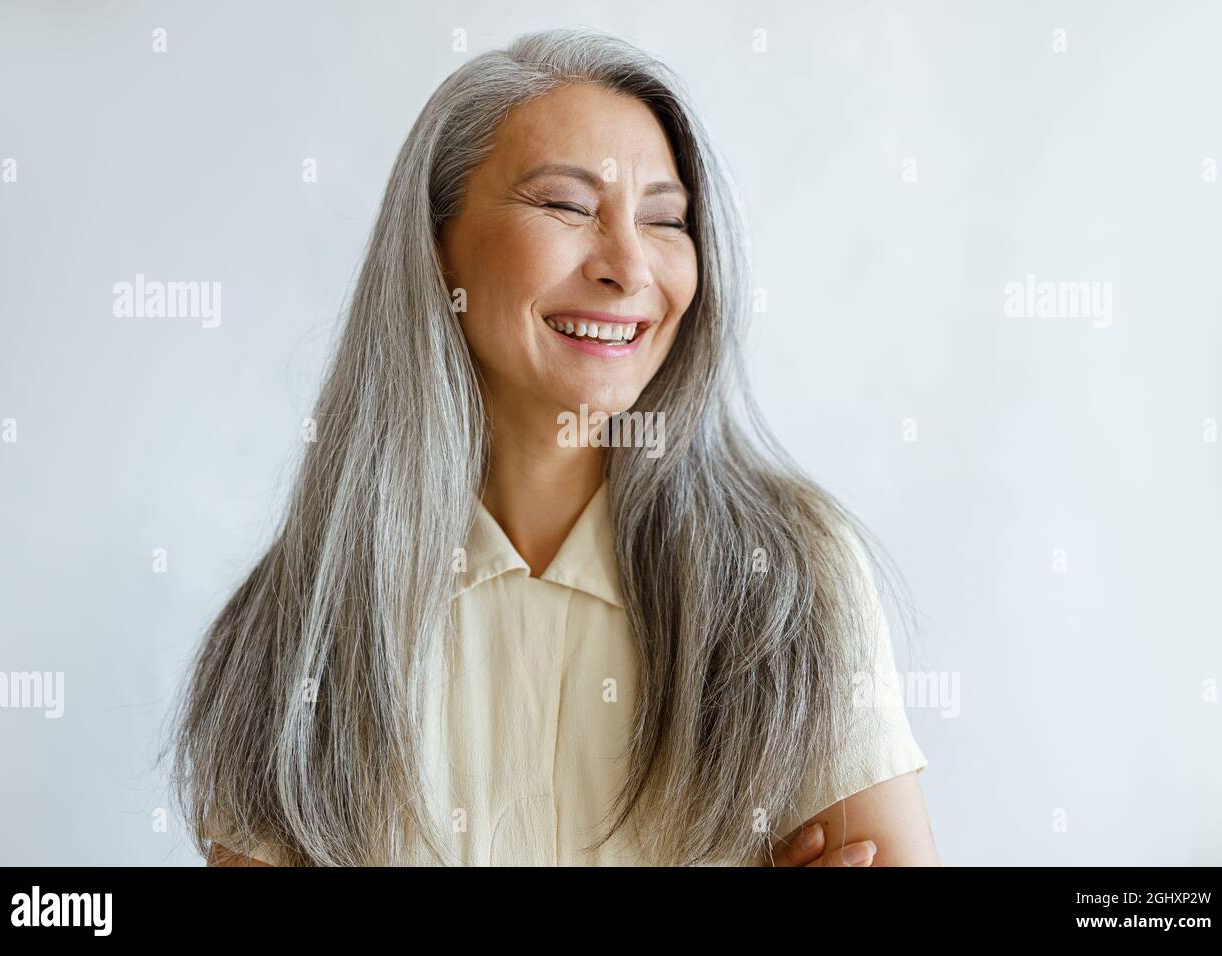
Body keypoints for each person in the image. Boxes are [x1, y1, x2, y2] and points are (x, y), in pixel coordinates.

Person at [169, 27, 938, 867]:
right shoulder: (300, 624)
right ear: (436, 250)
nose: (630, 267)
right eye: (567, 207)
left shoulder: (790, 575)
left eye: (666, 220)